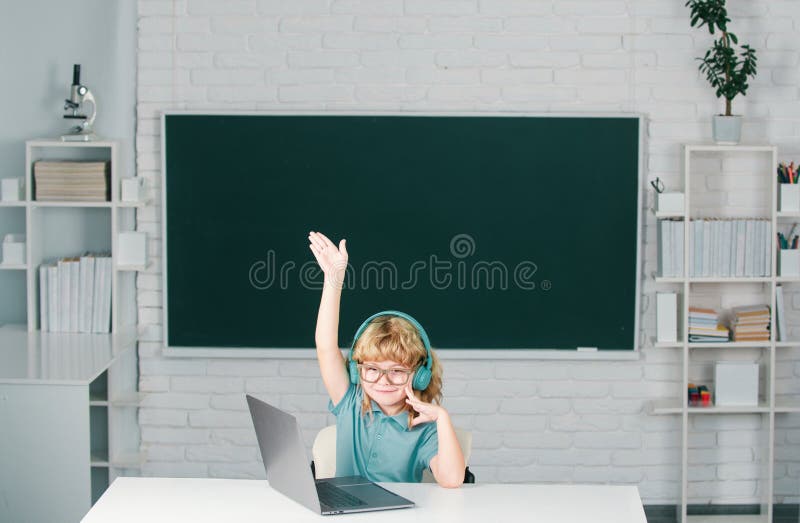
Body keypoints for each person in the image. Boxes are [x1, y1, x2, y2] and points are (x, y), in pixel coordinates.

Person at [308, 231, 465, 488]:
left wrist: (442, 418)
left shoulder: (424, 429)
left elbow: (452, 479)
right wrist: (333, 280)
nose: (383, 380)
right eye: (371, 369)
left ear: (420, 374)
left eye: (397, 370)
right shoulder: (350, 402)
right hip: (345, 512)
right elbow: (325, 346)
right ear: (358, 372)